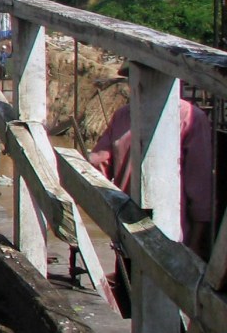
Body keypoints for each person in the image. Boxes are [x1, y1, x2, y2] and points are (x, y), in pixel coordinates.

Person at [88, 94, 214, 258]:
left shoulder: (124, 114)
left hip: (130, 229)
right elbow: (200, 188)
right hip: (170, 236)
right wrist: (196, 243)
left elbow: (97, 165)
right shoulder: (190, 115)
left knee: (130, 277)